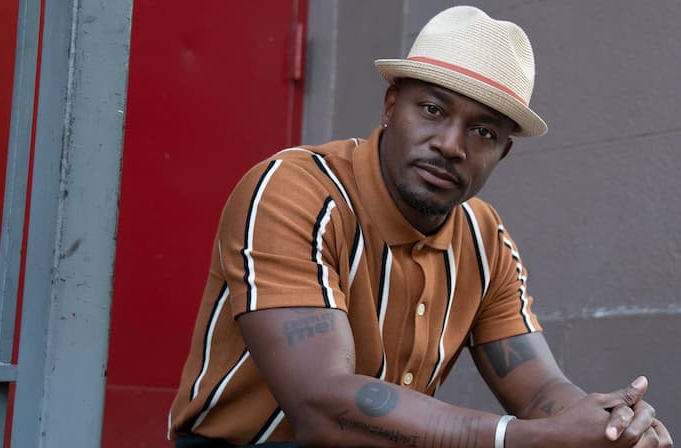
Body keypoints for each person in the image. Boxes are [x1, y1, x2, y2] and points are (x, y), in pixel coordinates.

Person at [167, 6, 673, 448]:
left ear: (502, 153)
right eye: (432, 109)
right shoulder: (296, 190)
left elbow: (542, 392)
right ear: (391, 106)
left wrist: (612, 426)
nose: (451, 145)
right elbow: (321, 406)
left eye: (482, 131)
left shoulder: (484, 238)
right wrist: (526, 438)